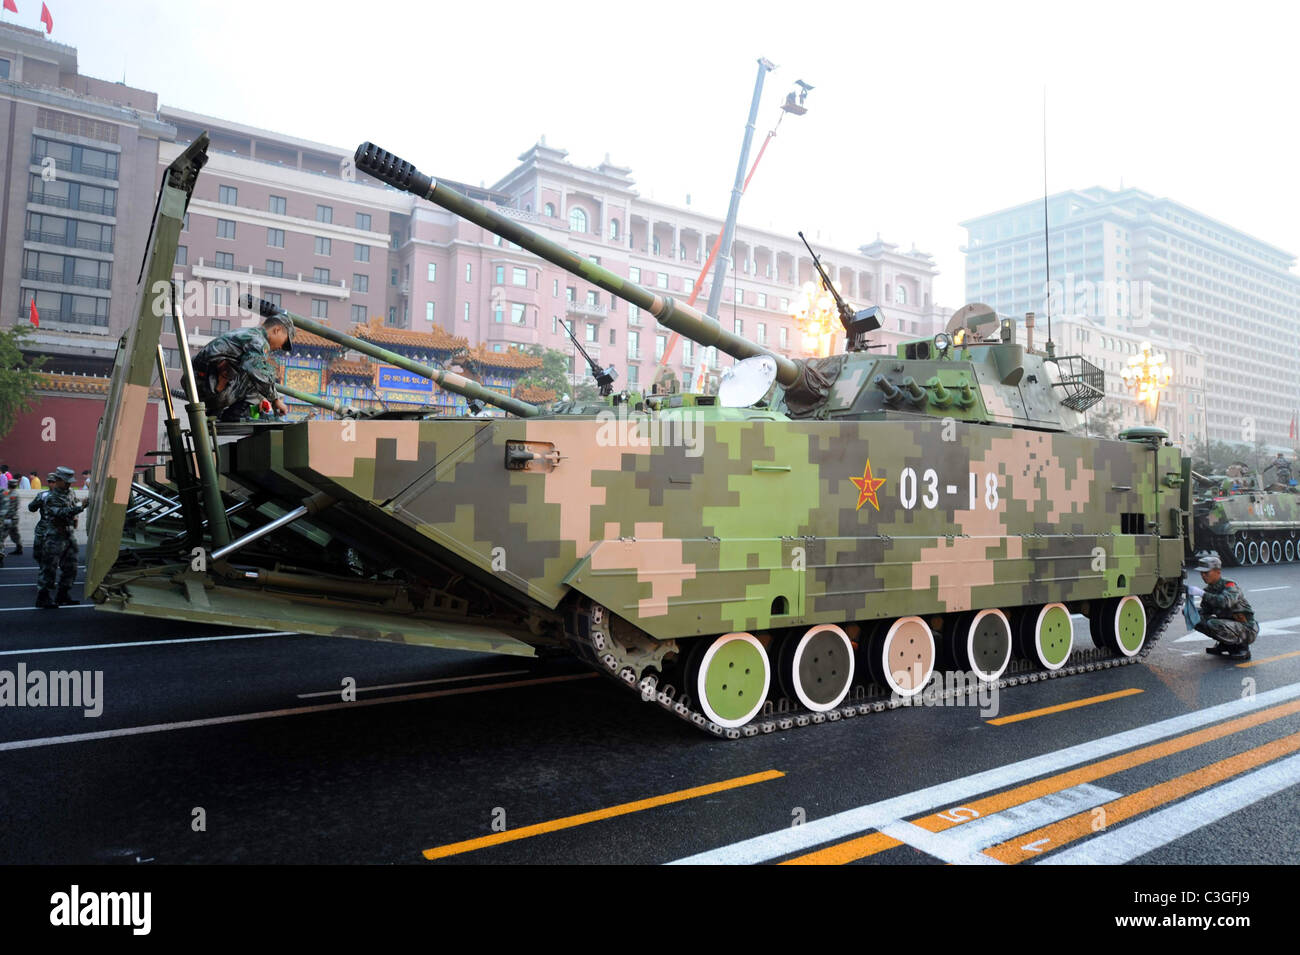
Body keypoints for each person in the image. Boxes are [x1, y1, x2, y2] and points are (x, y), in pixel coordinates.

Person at [192, 313, 294, 421]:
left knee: (255, 369)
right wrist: (275, 400)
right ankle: (236, 414)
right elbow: (255, 370)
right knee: (260, 372)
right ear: (277, 330)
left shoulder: (245, 332)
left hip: (198, 383)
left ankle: (216, 412)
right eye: (284, 342)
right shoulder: (259, 341)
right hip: (209, 388)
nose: (281, 347)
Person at [27, 466, 85, 609]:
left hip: (68, 534)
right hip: (54, 535)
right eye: (66, 481)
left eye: (70, 482)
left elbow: (73, 503)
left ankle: (63, 594)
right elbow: (60, 512)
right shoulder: (51, 497)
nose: (69, 484)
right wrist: (80, 508)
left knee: (71, 566)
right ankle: (43, 597)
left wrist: (77, 513)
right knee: (49, 567)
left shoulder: (70, 492)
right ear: (58, 480)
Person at [1188, 553, 1257, 661]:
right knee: (1194, 616)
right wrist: (1190, 610)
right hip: (1231, 626)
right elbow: (1205, 611)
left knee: (1213, 623)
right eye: (1201, 573)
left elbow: (1225, 602)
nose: (1203, 576)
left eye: (1206, 572)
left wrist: (1202, 594)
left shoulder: (1229, 585)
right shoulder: (1208, 590)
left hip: (1246, 628)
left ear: (1218, 572)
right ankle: (1225, 644)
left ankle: (1242, 647)